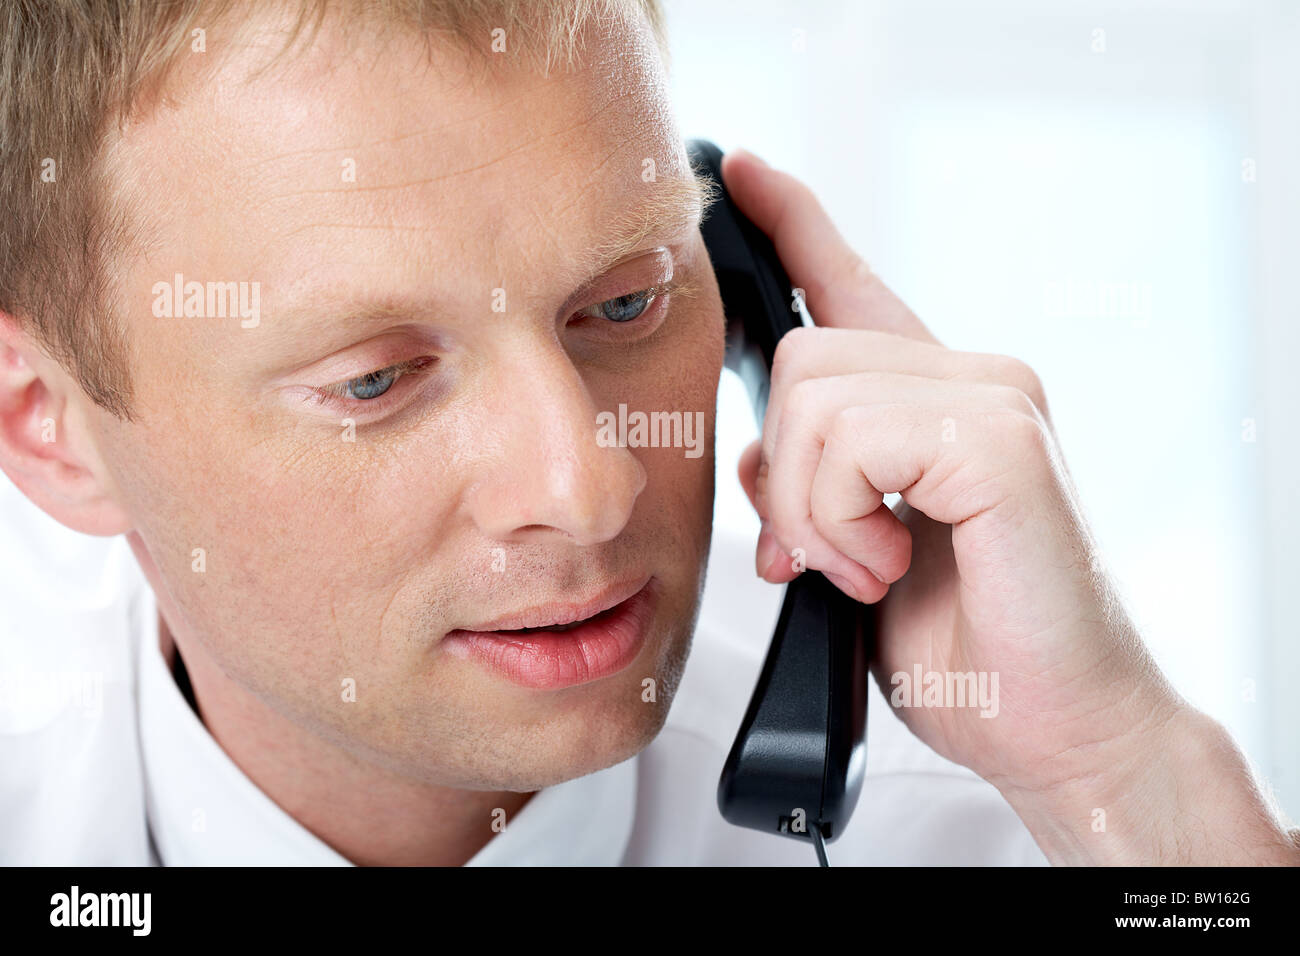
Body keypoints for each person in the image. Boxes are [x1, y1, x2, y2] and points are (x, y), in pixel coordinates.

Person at [0, 0, 1295, 866]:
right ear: (48, 425)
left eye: (626, 302)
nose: (590, 485)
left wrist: (1125, 765)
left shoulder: (1007, 831)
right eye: (376, 381)